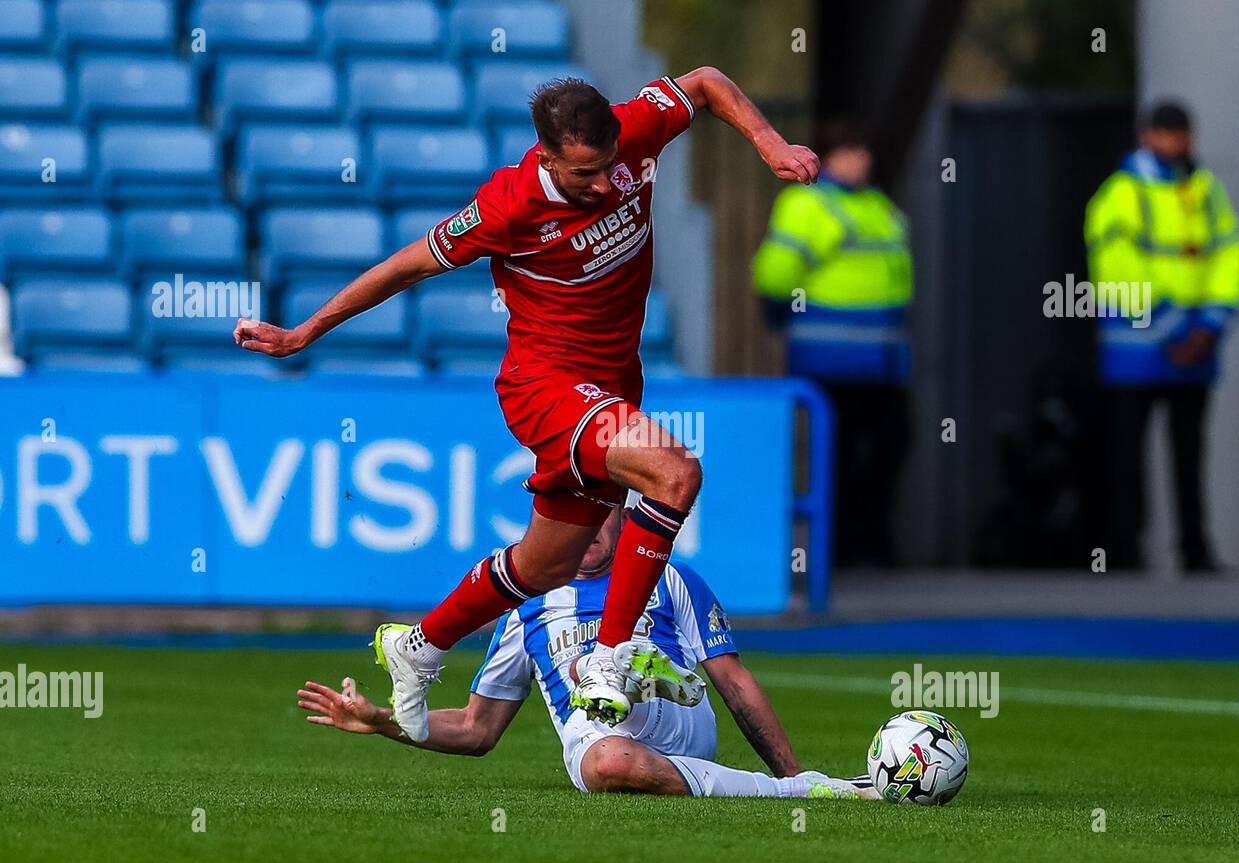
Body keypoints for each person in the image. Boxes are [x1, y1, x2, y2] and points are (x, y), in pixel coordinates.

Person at [235, 69, 820, 737]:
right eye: (583, 174)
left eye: (607, 168)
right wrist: (304, 331)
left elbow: (712, 82)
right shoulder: (507, 206)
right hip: (547, 384)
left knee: (547, 565)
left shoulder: (633, 130)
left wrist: (770, 145)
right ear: (545, 155)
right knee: (676, 472)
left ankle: (419, 644)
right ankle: (611, 658)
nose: (603, 185)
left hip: (612, 383)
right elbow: (406, 266)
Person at [297, 506, 876, 801]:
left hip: (679, 725)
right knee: (607, 760)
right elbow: (477, 729)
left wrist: (796, 772)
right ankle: (617, 668)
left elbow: (734, 682)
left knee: (592, 664)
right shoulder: (524, 606)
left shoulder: (671, 576)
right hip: (600, 741)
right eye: (572, 516)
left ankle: (628, 667)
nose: (588, 528)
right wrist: (383, 722)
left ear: (624, 511)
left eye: (599, 513)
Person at [1083, 102, 1239, 572]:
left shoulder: (1204, 191)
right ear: (1146, 136)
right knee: (1127, 453)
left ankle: (1194, 548)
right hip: (1139, 348)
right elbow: (1115, 268)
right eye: (1166, 134)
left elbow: (1231, 252)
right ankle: (1124, 550)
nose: (1175, 144)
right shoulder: (1121, 194)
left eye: (1181, 135)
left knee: (1190, 451)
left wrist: (1212, 322)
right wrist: (1175, 326)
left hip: (1195, 344)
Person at [751, 120, 912, 567]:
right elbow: (777, 271)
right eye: (848, 150)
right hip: (829, 359)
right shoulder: (807, 203)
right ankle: (838, 552)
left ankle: (870, 545)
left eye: (862, 150)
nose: (860, 159)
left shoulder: (878, 204)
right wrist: (778, 310)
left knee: (890, 447)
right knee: (836, 457)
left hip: (881, 361)